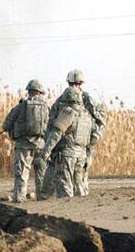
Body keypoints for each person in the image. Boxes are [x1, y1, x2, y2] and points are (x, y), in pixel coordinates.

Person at [40, 70, 96, 198]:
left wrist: (45, 152)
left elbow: (56, 134)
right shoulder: (86, 115)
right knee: (79, 189)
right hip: (81, 155)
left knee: (65, 190)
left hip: (66, 155)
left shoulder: (67, 112)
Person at [0, 79, 49, 202]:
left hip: (23, 145)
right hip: (41, 146)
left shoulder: (21, 106)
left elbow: (6, 124)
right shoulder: (46, 108)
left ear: (29, 91)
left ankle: (20, 198)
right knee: (41, 174)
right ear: (40, 92)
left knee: (21, 174)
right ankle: (42, 198)